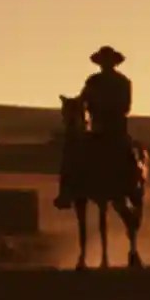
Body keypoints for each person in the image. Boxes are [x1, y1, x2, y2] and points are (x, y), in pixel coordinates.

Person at [55, 45, 135, 209]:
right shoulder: (92, 81)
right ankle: (67, 193)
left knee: (127, 155)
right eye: (103, 62)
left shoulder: (123, 82)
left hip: (116, 128)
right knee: (71, 153)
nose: (105, 65)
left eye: (108, 61)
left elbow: (126, 107)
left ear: (114, 63)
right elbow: (82, 99)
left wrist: (105, 108)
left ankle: (130, 186)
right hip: (96, 127)